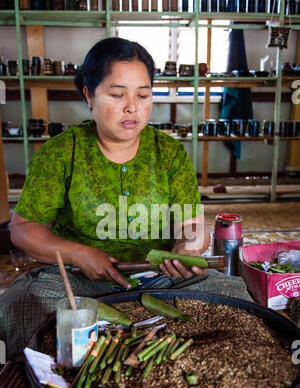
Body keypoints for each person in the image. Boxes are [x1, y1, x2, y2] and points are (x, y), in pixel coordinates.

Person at [0, 37, 252, 360]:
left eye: (143, 95)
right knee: (30, 300)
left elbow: (192, 224)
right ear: (89, 95)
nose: (132, 106)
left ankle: (116, 339)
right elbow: (22, 229)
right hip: (83, 284)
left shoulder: (169, 153)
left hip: (161, 281)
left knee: (227, 290)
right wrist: (79, 254)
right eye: (117, 94)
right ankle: (155, 334)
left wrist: (187, 248)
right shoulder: (62, 153)